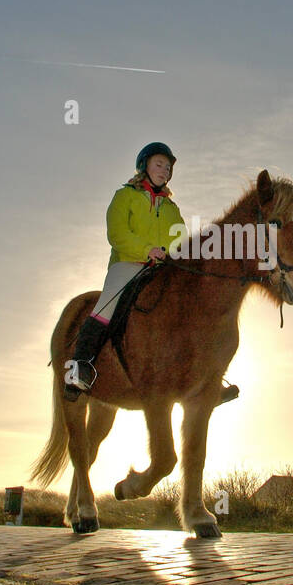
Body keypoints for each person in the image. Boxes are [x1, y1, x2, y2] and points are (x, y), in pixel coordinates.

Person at [64, 142, 238, 406]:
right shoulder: (124, 196)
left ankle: (210, 378)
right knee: (108, 303)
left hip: (163, 269)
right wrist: (147, 250)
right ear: (144, 165)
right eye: (159, 164)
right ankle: (80, 367)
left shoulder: (171, 208)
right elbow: (117, 234)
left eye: (168, 167)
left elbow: (180, 241)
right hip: (129, 263)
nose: (165, 170)